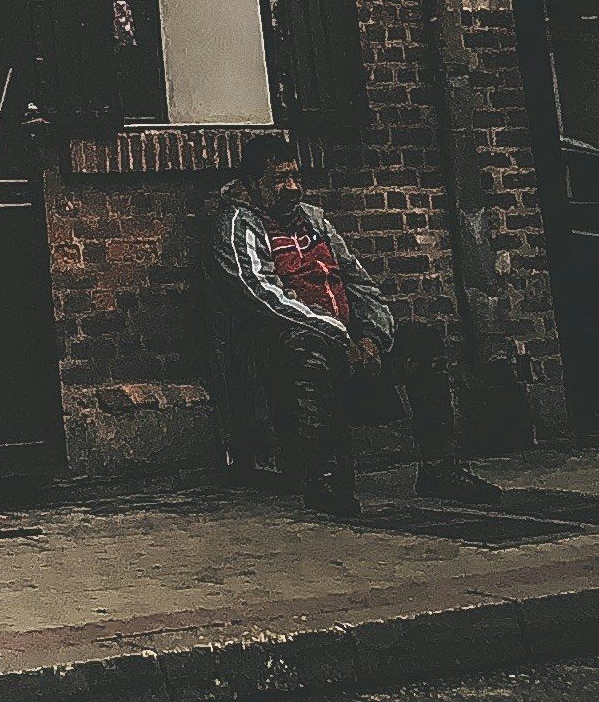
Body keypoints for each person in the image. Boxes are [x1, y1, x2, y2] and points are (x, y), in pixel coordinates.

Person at [208, 133, 493, 516]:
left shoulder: (314, 220)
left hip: (348, 340)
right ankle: (324, 479)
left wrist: (373, 336)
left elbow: (358, 281)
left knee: (421, 342)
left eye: (295, 177)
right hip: (282, 350)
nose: (292, 187)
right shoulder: (238, 224)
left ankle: (440, 468)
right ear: (253, 184)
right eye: (279, 179)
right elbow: (260, 295)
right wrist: (336, 333)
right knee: (307, 352)